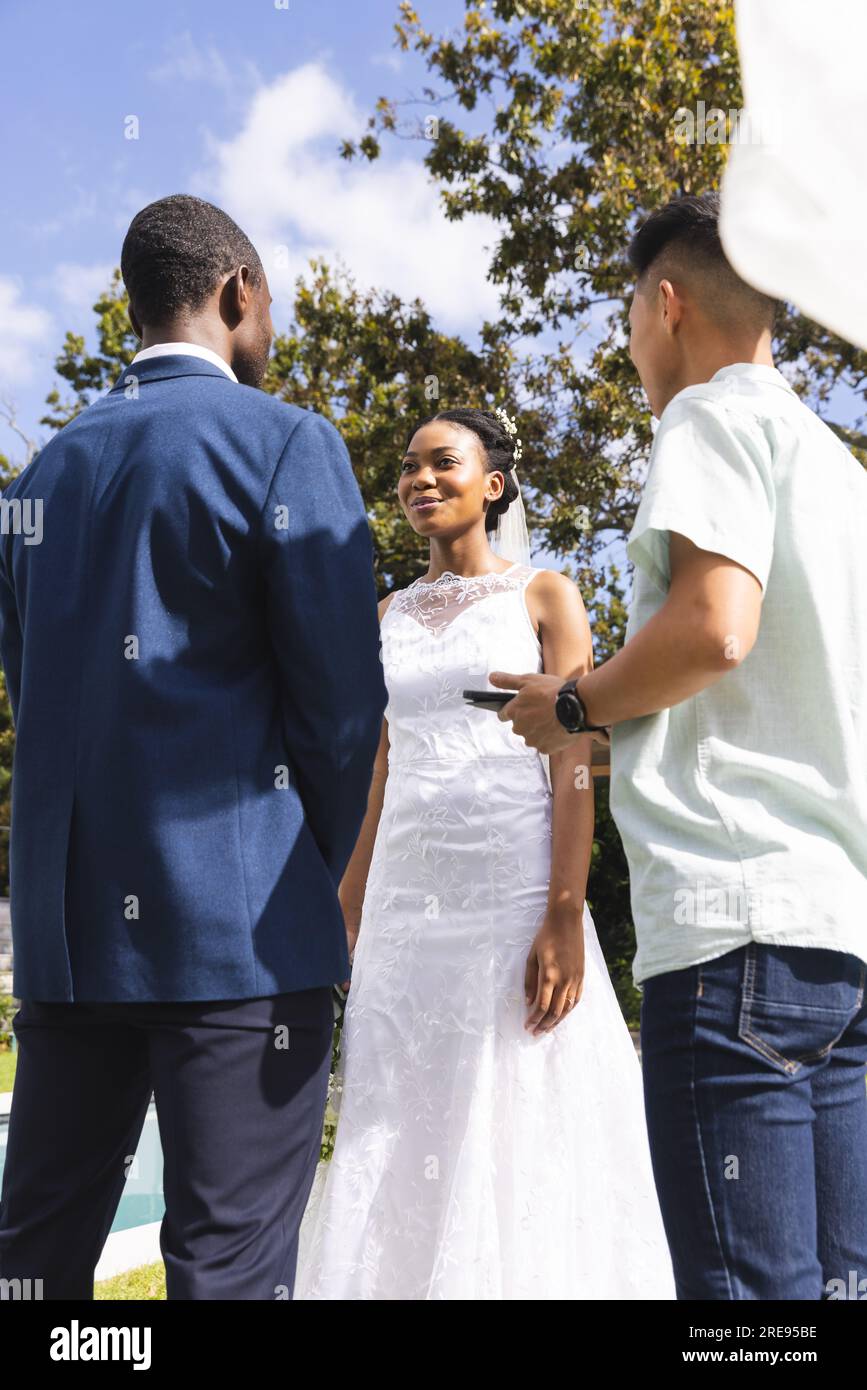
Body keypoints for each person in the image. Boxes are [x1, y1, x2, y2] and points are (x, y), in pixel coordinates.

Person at [0, 194, 387, 1300]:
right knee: (227, 1265)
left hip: (74, 944)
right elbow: (341, 708)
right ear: (236, 295)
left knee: (35, 1261)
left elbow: (40, 697)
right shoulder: (285, 445)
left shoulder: (38, 479)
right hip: (242, 935)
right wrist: (302, 869)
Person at [492, 193, 867, 1300]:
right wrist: (626, 737)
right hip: (838, 939)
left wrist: (574, 704)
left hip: (731, 937)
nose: (630, 344)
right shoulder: (840, 471)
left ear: (666, 305)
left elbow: (715, 628)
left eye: (625, 317)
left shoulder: (707, 419)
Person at [294, 407, 675, 1300]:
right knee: (398, 1107)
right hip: (404, 902)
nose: (419, 479)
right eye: (408, 467)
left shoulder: (545, 594)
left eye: (443, 462)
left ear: (492, 484)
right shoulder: (382, 611)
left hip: (512, 896)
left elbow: (573, 760)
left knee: (518, 1095)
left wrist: (562, 912)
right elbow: (379, 767)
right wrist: (348, 901)